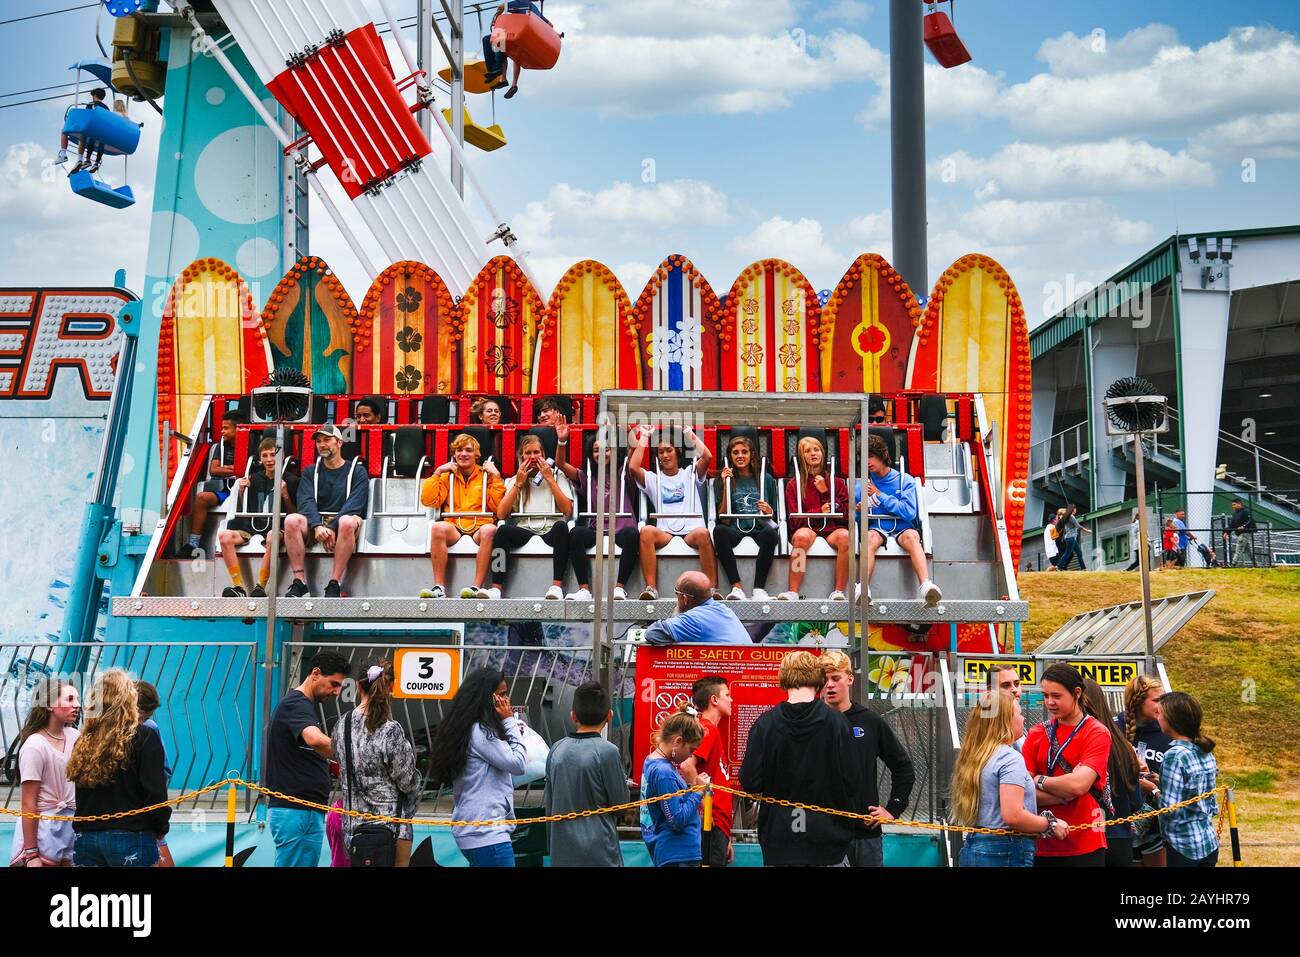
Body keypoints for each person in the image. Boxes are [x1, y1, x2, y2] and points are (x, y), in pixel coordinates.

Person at [740, 650, 855, 866]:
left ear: (783, 679)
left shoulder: (765, 724)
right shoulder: (837, 723)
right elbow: (852, 781)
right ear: (819, 679)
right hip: (827, 836)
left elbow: (750, 781)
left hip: (779, 837)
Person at [820, 650, 915, 867]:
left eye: (836, 678)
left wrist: (892, 809)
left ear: (850, 679)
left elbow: (903, 767)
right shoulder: (813, 722)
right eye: (824, 679)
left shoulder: (870, 722)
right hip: (824, 833)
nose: (830, 685)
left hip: (865, 832)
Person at [951, 691, 1069, 866]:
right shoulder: (1009, 757)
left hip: (974, 846)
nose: (1022, 719)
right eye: (1019, 714)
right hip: (1005, 851)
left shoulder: (976, 756)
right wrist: (1050, 824)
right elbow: (1013, 815)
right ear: (1006, 720)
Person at [66, 670, 170, 867]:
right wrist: (160, 826)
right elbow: (155, 791)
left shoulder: (84, 740)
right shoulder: (145, 736)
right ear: (128, 698)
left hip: (87, 835)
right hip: (132, 832)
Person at [429, 668, 527, 867]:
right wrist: (509, 722)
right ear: (485, 698)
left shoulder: (470, 729)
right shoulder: (481, 732)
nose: (506, 701)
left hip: (476, 831)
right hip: (488, 834)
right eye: (501, 695)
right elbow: (518, 764)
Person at [330, 661, 422, 867]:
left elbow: (340, 763)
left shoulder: (341, 725)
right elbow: (408, 781)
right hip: (392, 829)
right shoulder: (390, 729)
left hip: (353, 830)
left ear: (357, 685)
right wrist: (410, 809)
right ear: (389, 687)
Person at [264, 651, 350, 867]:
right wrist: (355, 752)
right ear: (315, 673)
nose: (337, 692)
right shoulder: (296, 703)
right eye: (334, 684)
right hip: (294, 811)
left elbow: (309, 750)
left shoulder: (304, 706)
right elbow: (315, 740)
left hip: (308, 810)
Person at [1022, 664, 1113, 866]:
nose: (1049, 702)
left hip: (1085, 841)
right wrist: (1063, 795)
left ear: (1077, 693)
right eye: (1045, 696)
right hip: (1042, 842)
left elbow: (1078, 786)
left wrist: (1040, 779)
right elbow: (1023, 792)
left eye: (1056, 696)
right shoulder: (1037, 733)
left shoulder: (1097, 732)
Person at [545, 681, 629, 867]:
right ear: (609, 716)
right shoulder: (608, 751)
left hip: (562, 850)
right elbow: (621, 805)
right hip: (600, 851)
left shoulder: (556, 749)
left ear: (573, 716)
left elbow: (549, 804)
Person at [628, 425, 716, 600]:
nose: (665, 455)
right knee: (645, 532)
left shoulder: (690, 474)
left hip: (691, 530)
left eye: (669, 450)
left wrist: (686, 432)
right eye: (660, 452)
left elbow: (707, 456)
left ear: (677, 452)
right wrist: (644, 436)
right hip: (666, 532)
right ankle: (651, 588)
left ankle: (711, 589)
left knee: (703, 533)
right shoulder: (654, 478)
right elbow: (633, 467)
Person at [284, 424, 368, 598]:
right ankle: (300, 582)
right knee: (291, 520)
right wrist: (316, 526)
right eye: (319, 441)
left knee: (347, 521)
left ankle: (334, 583)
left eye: (327, 440)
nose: (322, 444)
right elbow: (305, 501)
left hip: (342, 522)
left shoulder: (357, 471)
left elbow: (355, 503)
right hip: (317, 524)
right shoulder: (310, 472)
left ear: (339, 442)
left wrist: (332, 527)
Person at [420, 433, 505, 599]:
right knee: (438, 527)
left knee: (490, 530)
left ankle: (476, 587)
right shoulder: (446, 475)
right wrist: (437, 472)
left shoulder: (486, 475)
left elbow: (497, 507)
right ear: (454, 454)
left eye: (468, 450)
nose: (463, 454)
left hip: (480, 525)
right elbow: (429, 500)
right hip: (455, 525)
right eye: (459, 450)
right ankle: (439, 588)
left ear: (477, 455)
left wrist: (496, 477)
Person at [558, 431, 641, 601]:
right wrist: (561, 441)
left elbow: (634, 446)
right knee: (575, 534)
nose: (601, 453)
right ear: (591, 454)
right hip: (597, 530)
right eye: (596, 450)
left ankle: (619, 588)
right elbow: (560, 463)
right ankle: (584, 590)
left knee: (633, 534)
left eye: (607, 449)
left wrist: (625, 426)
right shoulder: (587, 476)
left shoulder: (623, 472)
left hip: (622, 530)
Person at [492, 432, 575, 599]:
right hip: (525, 528)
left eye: (536, 452)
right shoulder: (514, 479)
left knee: (562, 527)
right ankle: (495, 587)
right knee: (501, 532)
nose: (533, 457)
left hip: (551, 527)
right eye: (528, 453)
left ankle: (556, 586)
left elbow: (567, 510)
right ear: (521, 456)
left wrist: (550, 479)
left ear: (543, 455)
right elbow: (501, 514)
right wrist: (518, 483)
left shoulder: (557, 476)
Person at [863, 433, 941, 605]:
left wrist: (880, 495)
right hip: (878, 527)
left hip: (903, 527)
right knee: (868, 538)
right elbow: (857, 515)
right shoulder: (863, 482)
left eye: (871, 456)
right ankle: (863, 588)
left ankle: (926, 585)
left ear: (882, 455)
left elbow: (908, 512)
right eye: (864, 458)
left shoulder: (905, 480)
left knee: (913, 537)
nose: (868, 462)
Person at [10, 678, 80, 867]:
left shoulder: (75, 736)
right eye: (70, 699)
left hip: (70, 826)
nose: (77, 705)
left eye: (77, 699)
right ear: (49, 705)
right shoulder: (35, 745)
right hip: (43, 830)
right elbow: (28, 802)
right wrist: (31, 853)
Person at [220, 437, 299, 598]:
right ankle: (239, 587)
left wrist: (285, 495)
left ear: (282, 456)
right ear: (260, 458)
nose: (269, 460)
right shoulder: (254, 478)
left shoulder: (292, 480)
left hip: (278, 527)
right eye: (265, 456)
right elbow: (244, 509)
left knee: (272, 536)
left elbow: (295, 514)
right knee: (224, 536)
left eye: (273, 455)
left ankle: (260, 587)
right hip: (253, 526)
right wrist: (242, 493)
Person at [1080, 679, 1142, 867]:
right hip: (1119, 837)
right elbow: (1136, 801)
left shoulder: (1079, 743)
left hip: (1084, 837)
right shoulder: (1124, 747)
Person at [674, 677, 734, 867]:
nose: (731, 700)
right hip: (710, 822)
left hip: (717, 825)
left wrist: (726, 835)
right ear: (714, 700)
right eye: (728, 695)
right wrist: (703, 806)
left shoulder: (709, 729)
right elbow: (686, 766)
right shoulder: (708, 729)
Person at [782, 435, 851, 600]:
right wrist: (818, 511)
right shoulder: (794, 485)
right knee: (800, 537)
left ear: (822, 453)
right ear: (801, 456)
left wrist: (825, 492)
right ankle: (793, 592)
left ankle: (839, 591)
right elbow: (794, 521)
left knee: (846, 537)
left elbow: (846, 516)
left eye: (816, 449)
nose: (813, 454)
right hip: (808, 527)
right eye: (807, 451)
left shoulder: (837, 482)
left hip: (832, 528)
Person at [712, 434, 779, 601]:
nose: (740, 456)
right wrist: (727, 485)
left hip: (758, 528)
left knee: (771, 533)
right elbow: (724, 519)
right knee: (719, 531)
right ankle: (736, 587)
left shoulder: (766, 479)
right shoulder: (722, 481)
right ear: (730, 457)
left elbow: (773, 516)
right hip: (735, 529)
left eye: (744, 452)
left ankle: (759, 589)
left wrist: (769, 510)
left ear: (751, 455)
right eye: (735, 453)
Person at [1156, 691, 1220, 867]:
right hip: (1207, 842)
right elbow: (1208, 801)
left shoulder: (1174, 755)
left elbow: (1170, 809)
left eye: (1159, 713)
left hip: (1182, 846)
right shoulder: (1204, 750)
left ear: (1171, 720)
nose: (1157, 717)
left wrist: (1153, 790)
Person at [640, 709, 706, 867]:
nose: (691, 755)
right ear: (678, 741)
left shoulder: (652, 761)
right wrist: (697, 791)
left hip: (674, 852)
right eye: (691, 749)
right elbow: (676, 820)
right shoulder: (664, 772)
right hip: (678, 853)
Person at [1117, 674, 1171, 867]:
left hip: (1155, 822)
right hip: (1122, 820)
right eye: (1156, 700)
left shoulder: (1166, 729)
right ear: (1138, 701)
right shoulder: (1116, 727)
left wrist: (1156, 783)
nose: (1162, 705)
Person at [642, 570, 753, 645]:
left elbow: (652, 634)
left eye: (676, 592)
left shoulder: (694, 620)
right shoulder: (724, 610)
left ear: (685, 598)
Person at [187, 411, 240, 554]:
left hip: (244, 491)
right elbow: (214, 470)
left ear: (238, 428)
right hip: (225, 491)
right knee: (201, 498)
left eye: (226, 428)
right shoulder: (220, 447)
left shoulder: (253, 443)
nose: (222, 431)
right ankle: (192, 545)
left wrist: (230, 469)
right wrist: (235, 469)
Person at [134, 681, 175, 867]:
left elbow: (163, 771)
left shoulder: (149, 728)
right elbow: (163, 772)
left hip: (144, 815)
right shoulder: (148, 728)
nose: (143, 721)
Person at [482, 1, 554, 100]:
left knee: (495, 39)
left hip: (520, 33)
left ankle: (496, 70)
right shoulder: (534, 8)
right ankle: (509, 82)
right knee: (515, 56)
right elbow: (550, 25)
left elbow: (500, 6)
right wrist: (555, 35)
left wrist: (498, 15)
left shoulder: (520, 2)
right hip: (527, 36)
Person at [59, 86, 109, 169]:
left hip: (91, 129)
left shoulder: (91, 104)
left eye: (93, 96)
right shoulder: (107, 108)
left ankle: (78, 159)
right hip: (102, 132)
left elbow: (86, 117)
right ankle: (92, 162)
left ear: (95, 96)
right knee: (94, 139)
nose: (92, 98)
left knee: (75, 135)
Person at [986, 662, 1027, 750]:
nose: (1014, 690)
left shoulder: (1016, 722)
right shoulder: (988, 726)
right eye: (1005, 686)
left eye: (1016, 684)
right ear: (991, 690)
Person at [1054, 504, 1088, 570]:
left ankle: (1083, 568)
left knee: (1079, 553)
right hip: (1071, 538)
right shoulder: (1071, 517)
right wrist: (1087, 530)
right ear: (1073, 509)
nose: (1076, 510)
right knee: (1068, 553)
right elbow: (1078, 525)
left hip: (1072, 538)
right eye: (1075, 509)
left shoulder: (1067, 517)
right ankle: (1059, 566)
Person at [1224, 498, 1255, 567]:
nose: (1233, 506)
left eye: (1234, 504)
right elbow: (1232, 524)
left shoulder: (1246, 511)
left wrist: (1244, 527)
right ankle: (1255, 563)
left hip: (1245, 533)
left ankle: (1233, 563)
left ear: (1239, 504)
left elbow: (1251, 521)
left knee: (1239, 547)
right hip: (1239, 533)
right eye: (1232, 505)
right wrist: (1227, 532)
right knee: (1248, 550)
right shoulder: (1235, 513)